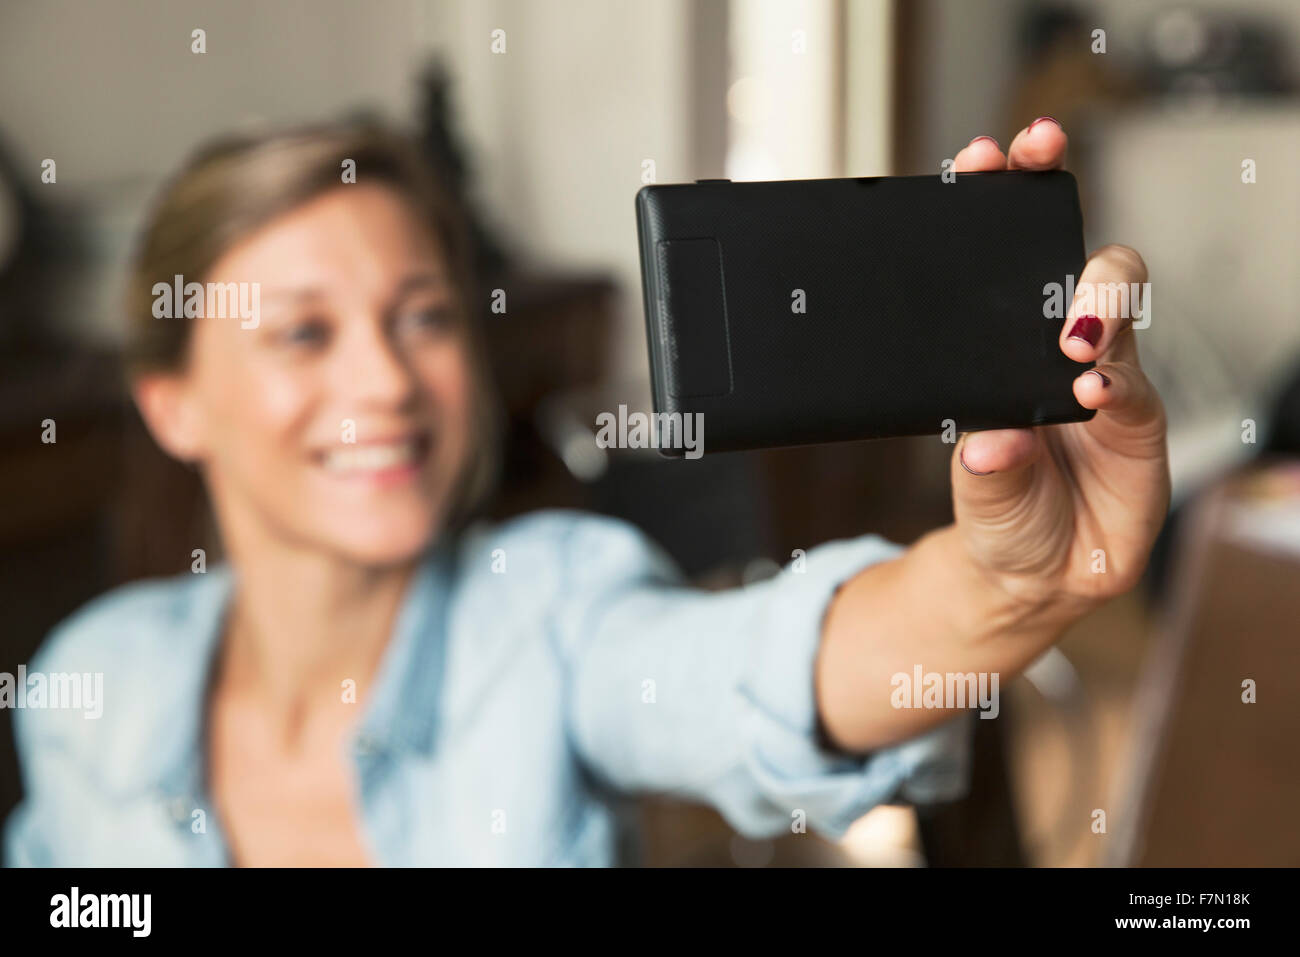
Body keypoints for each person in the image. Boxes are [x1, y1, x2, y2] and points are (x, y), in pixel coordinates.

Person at [4, 117, 1168, 866]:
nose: (386, 380)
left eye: (423, 316)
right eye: (302, 333)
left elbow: (760, 669)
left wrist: (1009, 585)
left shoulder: (552, 614)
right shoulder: (88, 685)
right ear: (172, 403)